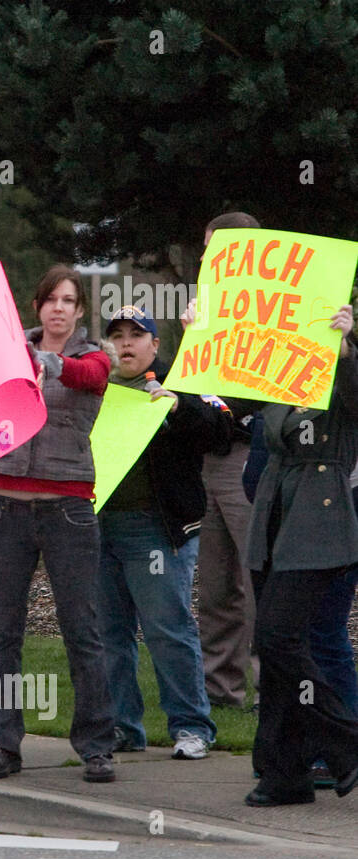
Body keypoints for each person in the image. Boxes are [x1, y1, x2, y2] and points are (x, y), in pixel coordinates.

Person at [0, 265, 117, 783]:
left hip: (68, 509)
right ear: (36, 307)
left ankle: (98, 747)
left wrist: (45, 362)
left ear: (80, 311)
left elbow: (93, 378)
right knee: (1, 633)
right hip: (5, 506)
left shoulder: (91, 357)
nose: (58, 308)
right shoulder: (2, 353)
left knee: (82, 631)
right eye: (49, 299)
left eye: (68, 300)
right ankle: (1, 744)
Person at [98, 305, 228, 760]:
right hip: (95, 525)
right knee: (108, 634)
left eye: (138, 334)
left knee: (167, 631)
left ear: (156, 344)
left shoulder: (182, 378)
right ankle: (121, 727)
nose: (127, 343)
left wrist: (179, 404)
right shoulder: (93, 386)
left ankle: (192, 727)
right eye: (117, 335)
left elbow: (219, 428)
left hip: (156, 529)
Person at [241, 304, 358, 806]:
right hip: (274, 512)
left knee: (281, 636)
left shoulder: (345, 359)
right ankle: (284, 771)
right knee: (275, 644)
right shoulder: (275, 361)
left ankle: (345, 740)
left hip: (321, 516)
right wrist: (203, 333)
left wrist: (347, 347)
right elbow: (229, 395)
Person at [192, 212, 262, 709]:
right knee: (216, 584)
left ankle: (271, 685)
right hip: (211, 461)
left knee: (257, 577)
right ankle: (221, 688)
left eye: (211, 250)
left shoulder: (272, 317)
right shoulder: (205, 312)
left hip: (252, 460)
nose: (202, 259)